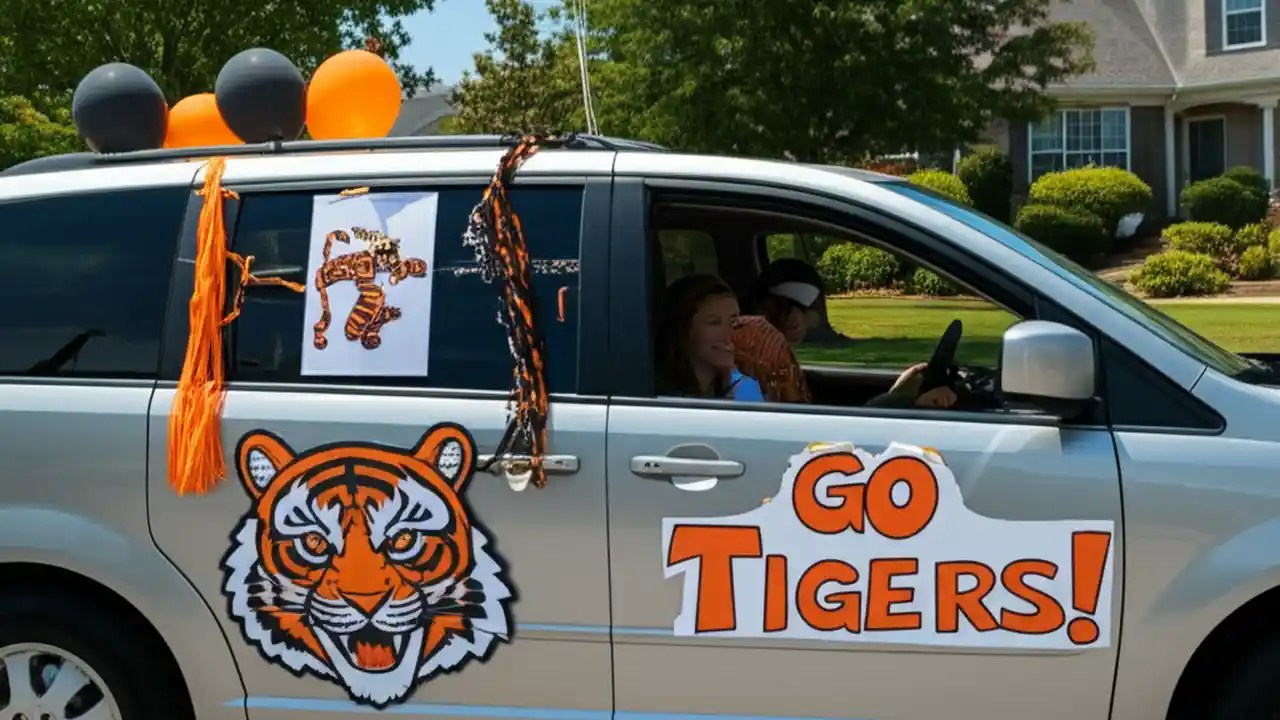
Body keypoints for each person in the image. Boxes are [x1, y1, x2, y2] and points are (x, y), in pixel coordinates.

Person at [736, 258, 957, 409]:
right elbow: (815, 437)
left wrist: (898, 392)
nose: (797, 317)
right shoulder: (755, 377)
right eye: (782, 308)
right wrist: (909, 404)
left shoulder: (781, 371)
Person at [655, 273, 765, 401]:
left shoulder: (738, 382)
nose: (730, 334)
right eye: (714, 322)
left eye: (734, 321)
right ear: (683, 329)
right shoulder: (664, 398)